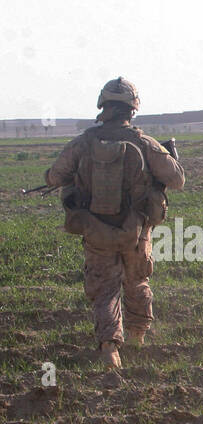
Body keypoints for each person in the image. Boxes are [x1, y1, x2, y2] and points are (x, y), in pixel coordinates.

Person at [45, 77, 185, 368]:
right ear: (132, 110)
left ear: (103, 106)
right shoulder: (145, 143)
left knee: (104, 289)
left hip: (96, 229)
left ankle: (110, 348)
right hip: (136, 230)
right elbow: (177, 179)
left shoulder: (83, 143)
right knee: (136, 281)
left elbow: (54, 176)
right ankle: (137, 337)